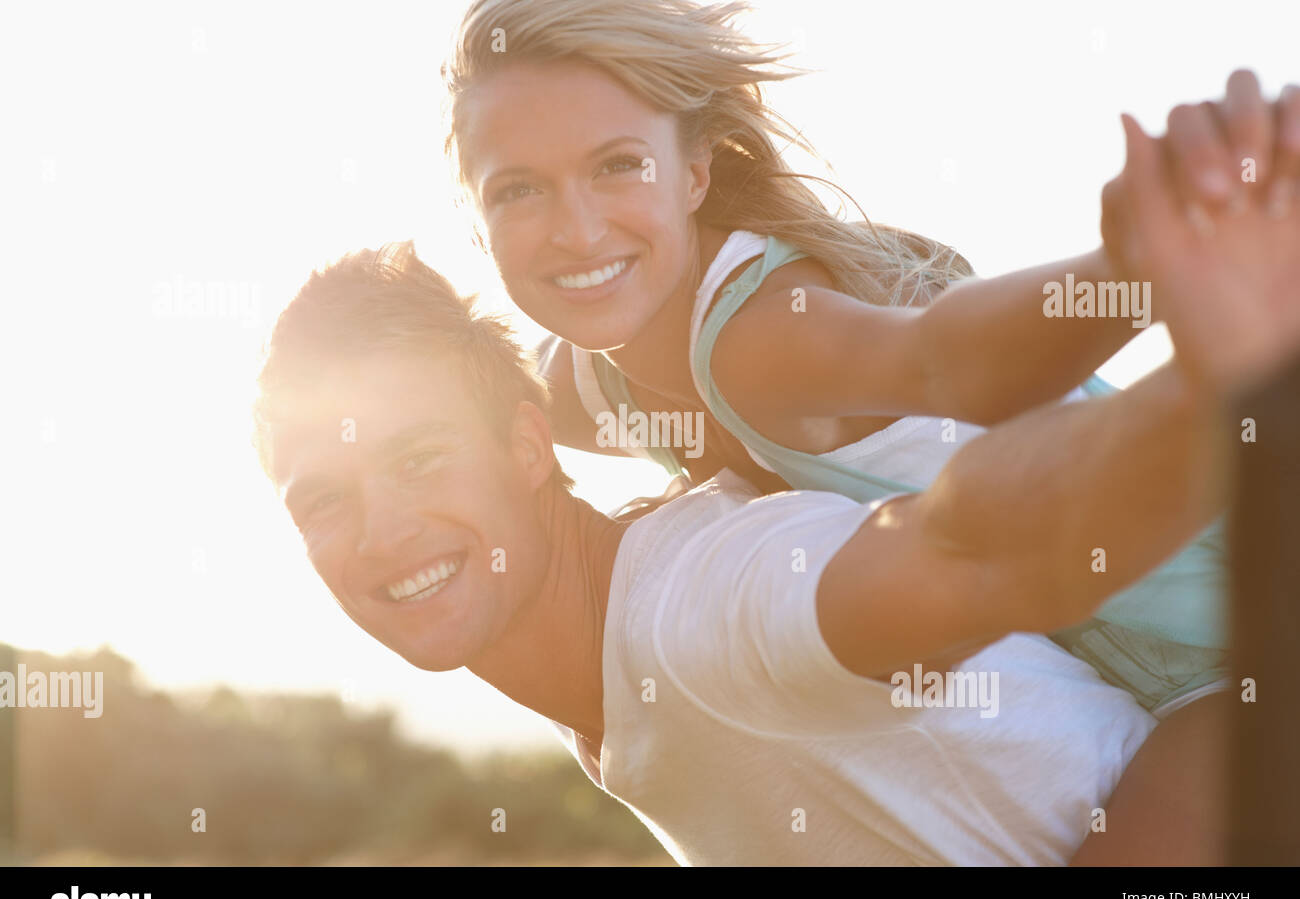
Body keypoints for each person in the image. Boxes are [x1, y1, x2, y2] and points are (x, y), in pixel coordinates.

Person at [252, 147, 1299, 858]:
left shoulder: (712, 601)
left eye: (423, 456)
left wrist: (1224, 357)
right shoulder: (609, 685)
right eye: (323, 499)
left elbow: (973, 546)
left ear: (528, 450)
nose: (383, 529)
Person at [439, 0, 1300, 716]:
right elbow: (454, 410)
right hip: (1115, 667)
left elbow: (940, 361)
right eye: (519, 189)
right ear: (474, 218)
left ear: (694, 171)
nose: (578, 229)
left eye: (618, 166)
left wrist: (1138, 269)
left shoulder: (758, 335)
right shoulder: (584, 378)